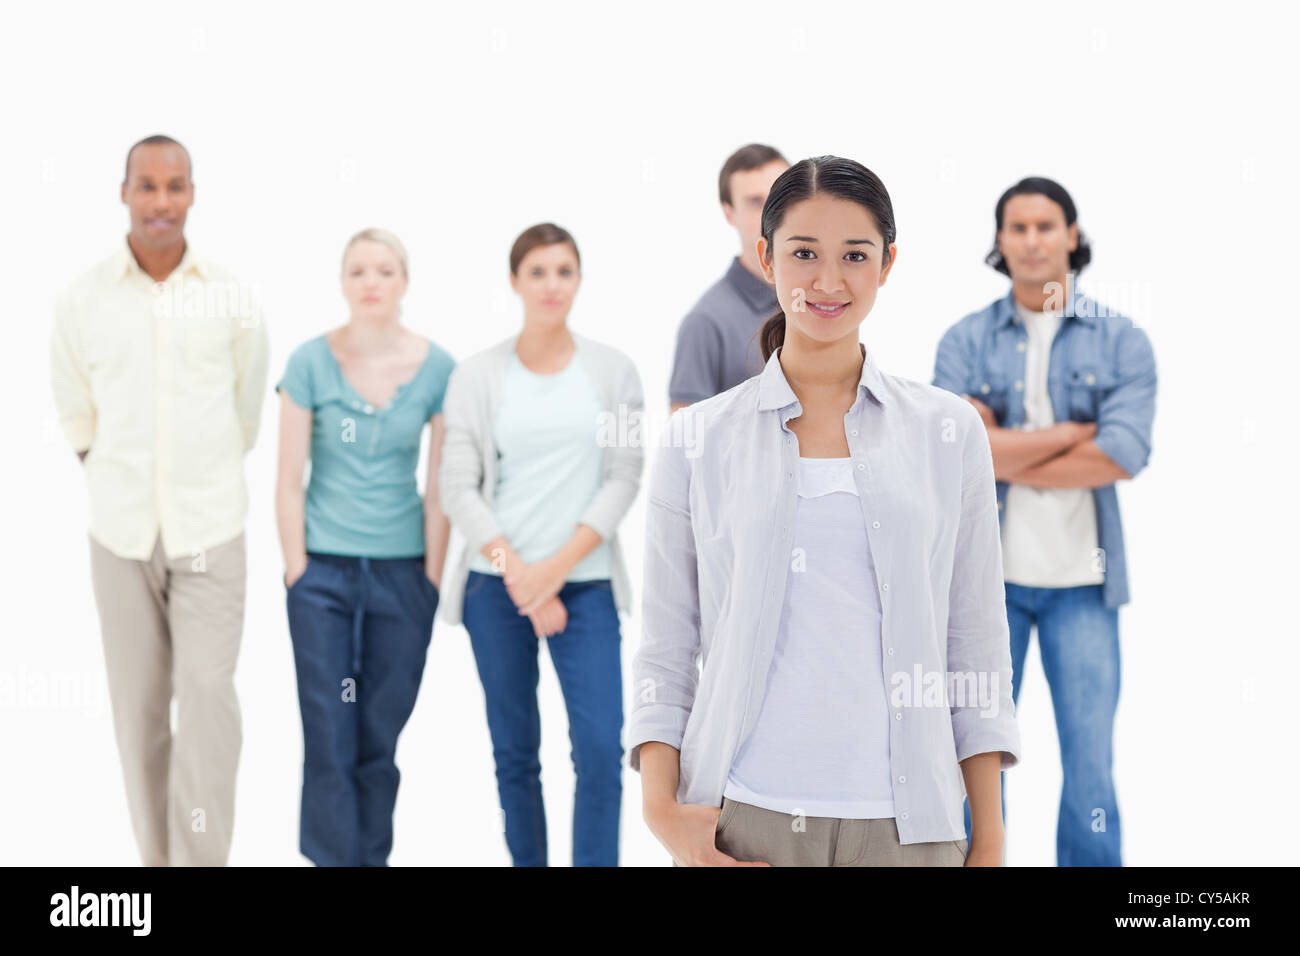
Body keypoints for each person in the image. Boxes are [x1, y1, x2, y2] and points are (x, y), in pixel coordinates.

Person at [631, 155, 1021, 868]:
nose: (828, 280)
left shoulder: (948, 430)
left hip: (913, 830)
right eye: (803, 253)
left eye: (855, 255)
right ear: (765, 257)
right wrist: (662, 814)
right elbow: (665, 644)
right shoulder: (697, 439)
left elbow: (975, 647)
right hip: (746, 822)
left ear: (888, 263)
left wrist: (990, 839)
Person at [49, 134, 270, 866]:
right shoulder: (83, 299)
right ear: (124, 193)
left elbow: (245, 411)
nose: (162, 201)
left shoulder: (232, 298)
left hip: (211, 529)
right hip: (119, 534)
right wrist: (109, 467)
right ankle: (155, 869)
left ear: (193, 195)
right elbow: (74, 407)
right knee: (138, 715)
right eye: (147, 186)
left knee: (207, 702)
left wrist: (202, 470)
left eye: (176, 186)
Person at [933, 177, 1156, 866]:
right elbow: (950, 455)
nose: (1032, 240)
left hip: (1082, 587)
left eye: (1046, 226)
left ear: (1073, 235)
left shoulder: (1121, 341)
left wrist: (999, 448)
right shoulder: (964, 339)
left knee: (1090, 767)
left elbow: (1122, 453)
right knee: (973, 761)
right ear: (1000, 242)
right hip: (984, 589)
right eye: (1018, 227)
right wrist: (1070, 433)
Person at [438, 222, 644, 866]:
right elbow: (457, 486)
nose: (552, 285)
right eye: (537, 272)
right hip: (494, 588)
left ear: (579, 280)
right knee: (515, 754)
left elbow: (624, 475)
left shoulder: (614, 372)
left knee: (599, 751)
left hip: (582, 587)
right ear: (514, 282)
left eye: (564, 271)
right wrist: (518, 575)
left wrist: (549, 573)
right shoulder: (476, 374)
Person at [275, 228, 455, 866]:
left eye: (384, 270)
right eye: (358, 272)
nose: (371, 282)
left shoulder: (437, 369)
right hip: (321, 575)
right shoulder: (308, 363)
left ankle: (368, 859)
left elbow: (440, 488)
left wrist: (431, 577)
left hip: (402, 575)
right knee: (329, 732)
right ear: (343, 283)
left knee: (378, 731)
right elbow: (288, 479)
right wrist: (297, 570)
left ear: (403, 282)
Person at [667, 144, 788, 412]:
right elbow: (686, 441)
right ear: (729, 212)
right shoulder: (705, 323)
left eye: (779, 197)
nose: (771, 214)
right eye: (755, 202)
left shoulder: (821, 299)